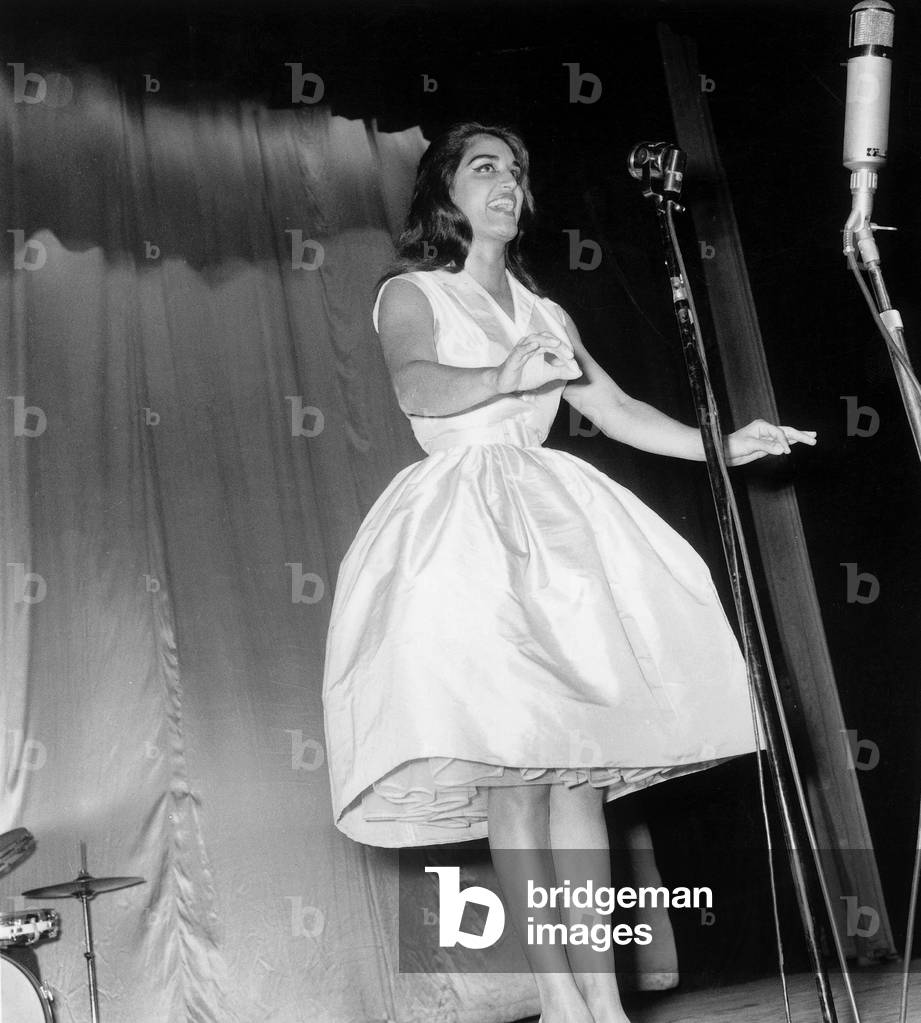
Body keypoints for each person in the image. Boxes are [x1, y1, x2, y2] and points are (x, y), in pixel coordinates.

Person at [322, 121, 816, 1023]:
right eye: (484, 169)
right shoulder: (412, 291)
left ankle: (604, 1002)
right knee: (516, 769)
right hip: (464, 526)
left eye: (515, 170)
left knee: (577, 772)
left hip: (552, 526)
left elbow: (618, 409)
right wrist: (503, 376)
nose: (506, 183)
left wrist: (726, 446)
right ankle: (559, 1000)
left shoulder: (547, 312)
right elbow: (418, 388)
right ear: (444, 194)